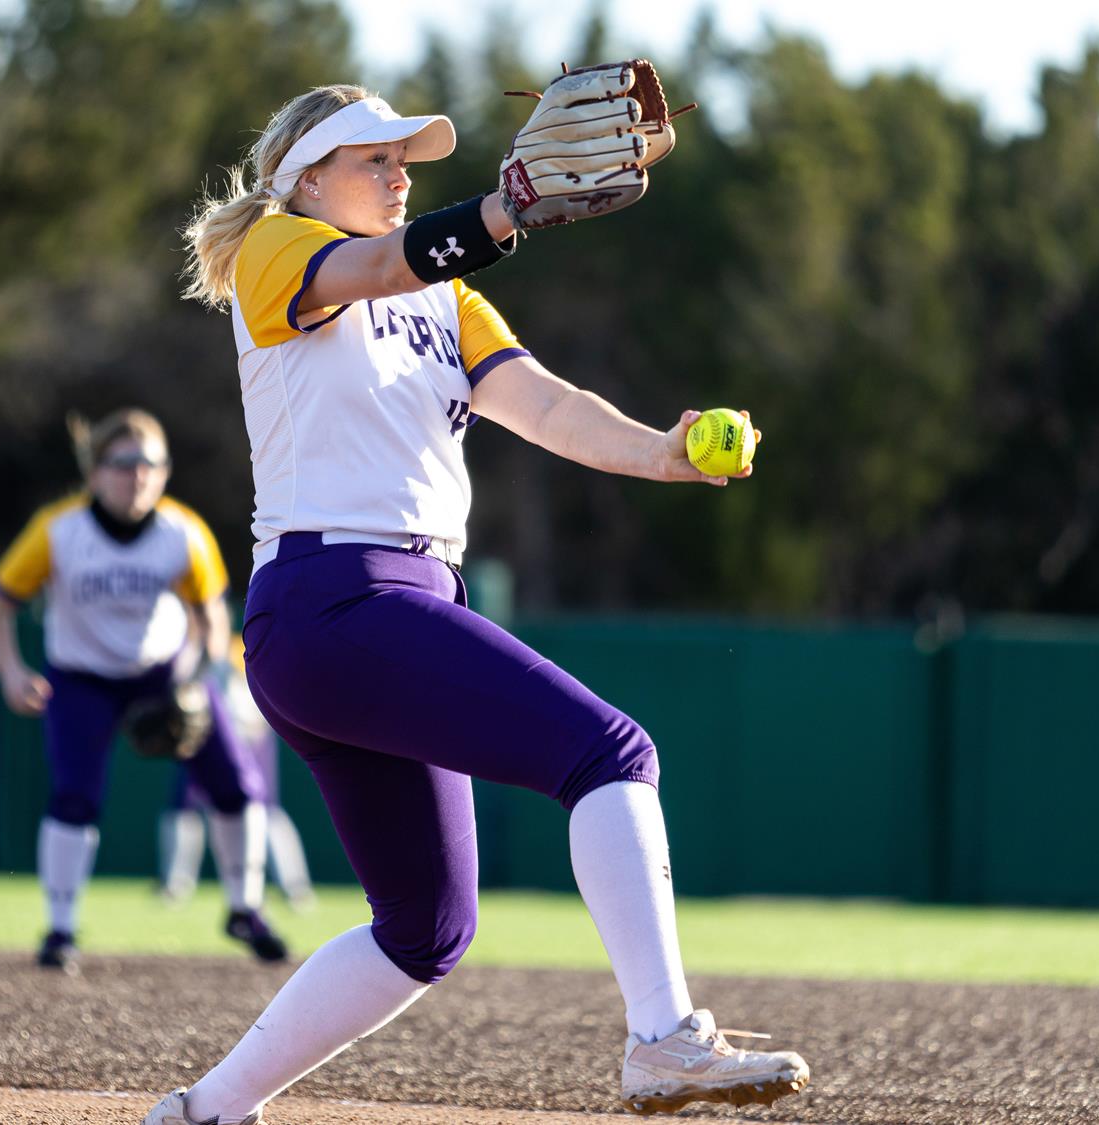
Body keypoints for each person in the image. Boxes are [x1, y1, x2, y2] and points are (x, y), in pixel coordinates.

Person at [142, 79, 809, 1125]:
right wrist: (497, 212)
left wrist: (663, 455)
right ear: (305, 176)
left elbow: (541, 403)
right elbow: (367, 266)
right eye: (375, 158)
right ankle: (663, 1040)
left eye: (406, 158)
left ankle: (205, 1111)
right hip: (336, 597)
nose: (400, 172)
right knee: (610, 754)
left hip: (371, 611)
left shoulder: (444, 300)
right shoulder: (282, 244)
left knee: (423, 931)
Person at [0, 407, 289, 972]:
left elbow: (212, 615)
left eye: (151, 464)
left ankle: (246, 908)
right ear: (95, 472)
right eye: (124, 463)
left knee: (237, 786)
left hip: (164, 674)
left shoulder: (182, 531)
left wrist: (197, 678)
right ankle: (60, 927)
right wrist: (12, 671)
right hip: (81, 675)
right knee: (75, 795)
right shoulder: (59, 529)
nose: (138, 475)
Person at [156, 637, 316, 911]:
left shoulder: (239, 646)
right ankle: (176, 884)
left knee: (263, 810)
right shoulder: (182, 646)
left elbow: (255, 704)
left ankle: (294, 888)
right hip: (201, 736)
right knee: (184, 810)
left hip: (246, 740)